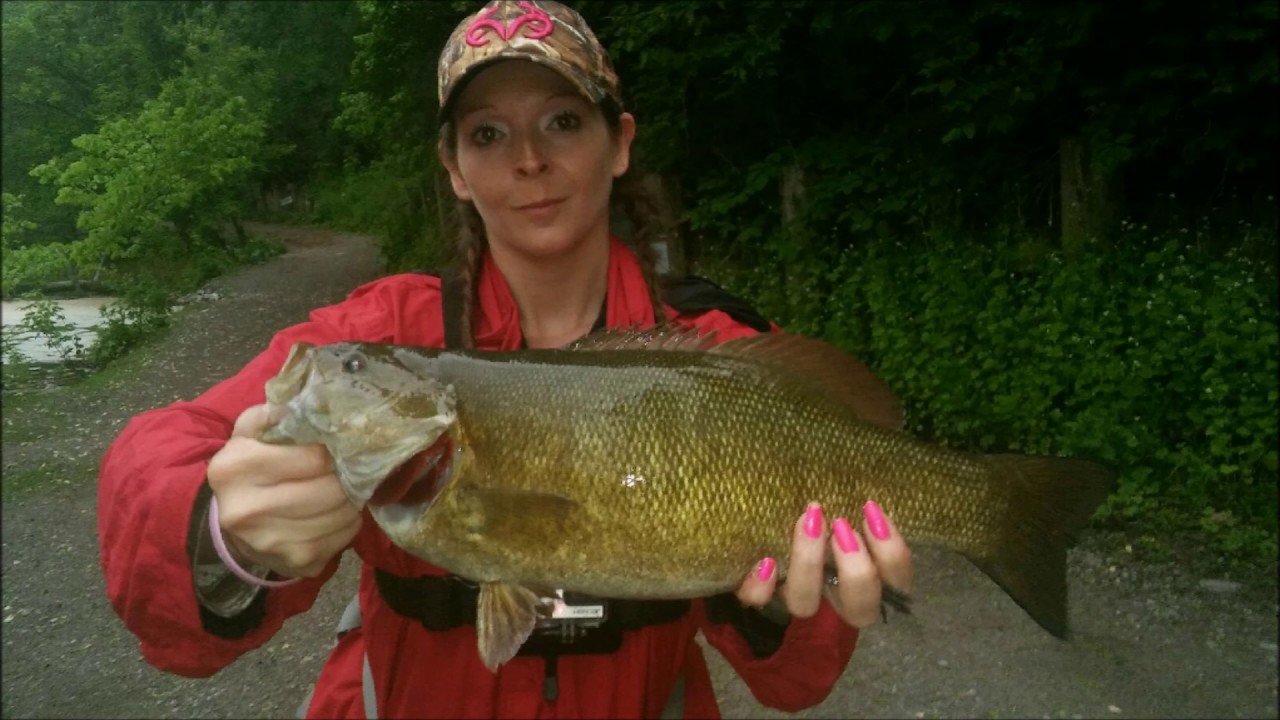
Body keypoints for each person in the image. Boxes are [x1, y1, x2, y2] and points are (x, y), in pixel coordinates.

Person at [97, 1, 914, 717]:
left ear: (618, 142)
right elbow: (159, 455)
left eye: (563, 121)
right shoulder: (387, 329)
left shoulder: (718, 361)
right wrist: (220, 533)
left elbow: (794, 683)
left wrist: (779, 607)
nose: (530, 159)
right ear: (454, 168)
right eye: (489, 134)